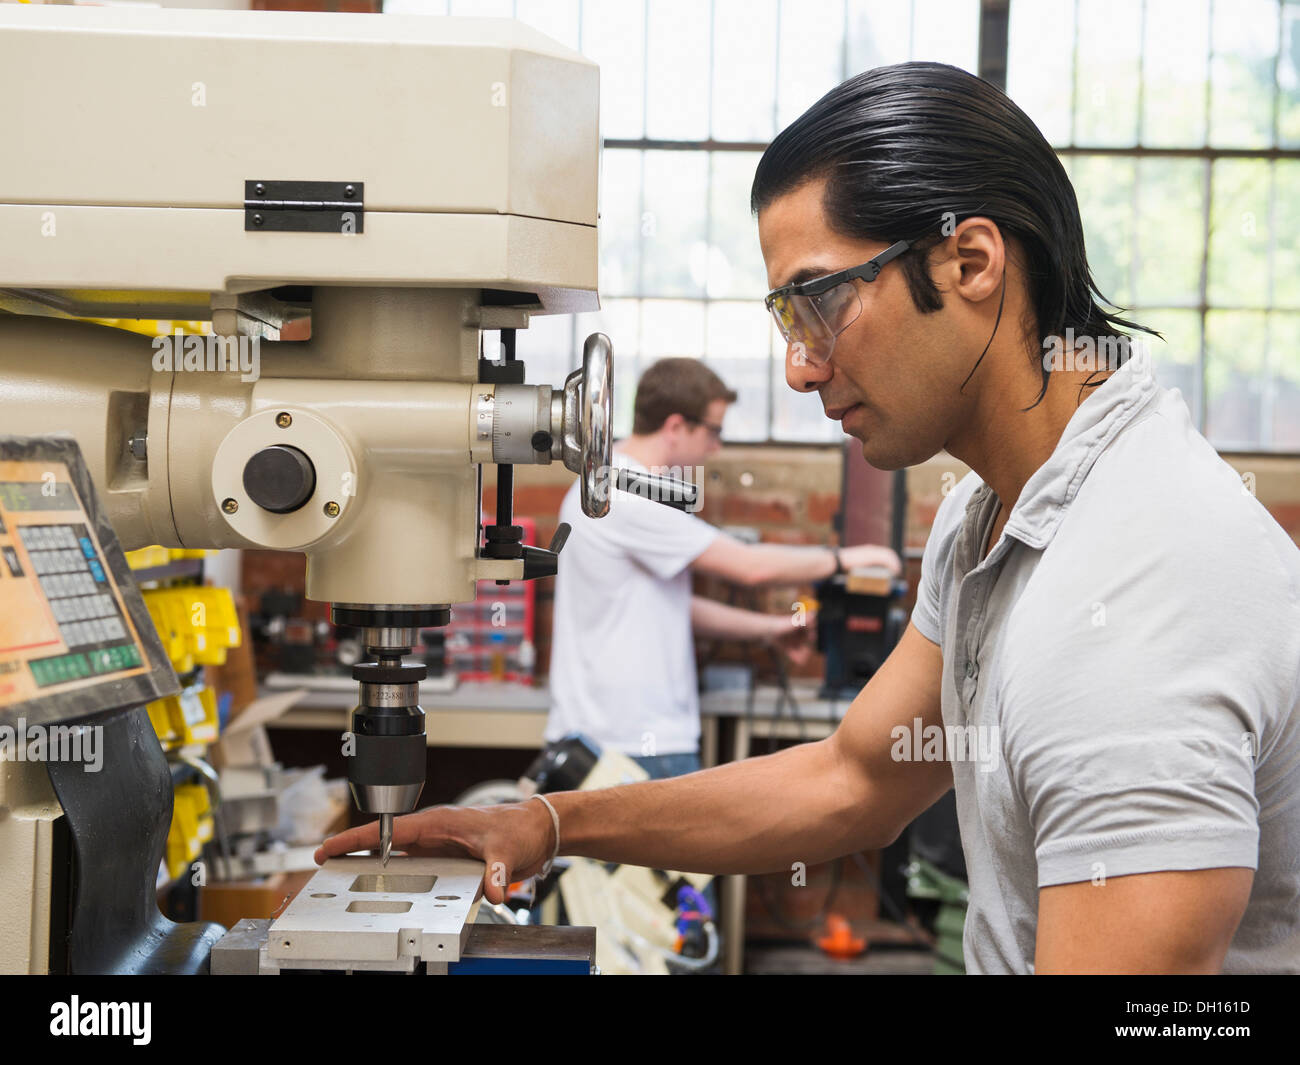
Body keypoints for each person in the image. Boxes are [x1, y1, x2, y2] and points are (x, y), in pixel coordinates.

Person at [319, 62, 1300, 974]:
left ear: (969, 262)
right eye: (784, 318)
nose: (798, 364)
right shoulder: (987, 520)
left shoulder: (1135, 581)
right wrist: (546, 824)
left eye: (819, 303)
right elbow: (853, 780)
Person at [546, 355, 901, 780]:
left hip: (618, 736)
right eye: (714, 431)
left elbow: (672, 608)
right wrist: (849, 558)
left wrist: (771, 629)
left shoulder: (608, 483)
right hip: (630, 743)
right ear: (676, 427)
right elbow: (750, 567)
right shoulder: (621, 492)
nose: (717, 447)